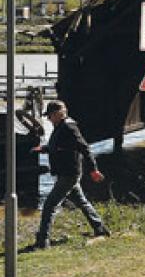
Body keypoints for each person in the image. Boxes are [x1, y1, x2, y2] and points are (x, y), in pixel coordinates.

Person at [32, 100, 110, 249]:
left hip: (69, 174)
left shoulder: (68, 127)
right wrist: (43, 149)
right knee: (82, 202)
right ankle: (100, 228)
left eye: (50, 116)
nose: (48, 119)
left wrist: (94, 169)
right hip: (66, 173)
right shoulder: (60, 126)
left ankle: (43, 242)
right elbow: (60, 146)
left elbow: (84, 148)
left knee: (49, 205)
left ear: (58, 114)